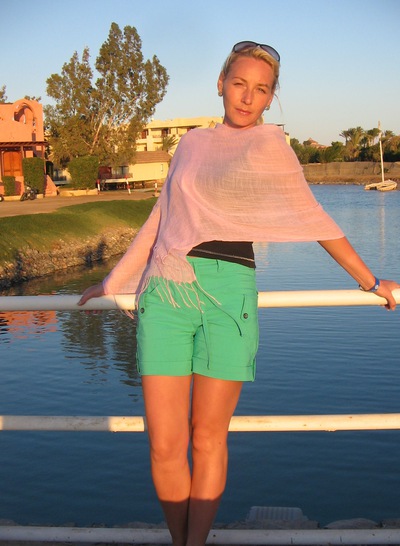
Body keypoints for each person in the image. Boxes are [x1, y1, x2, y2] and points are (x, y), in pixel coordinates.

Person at [78, 41, 399, 546]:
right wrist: (114, 280)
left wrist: (371, 281)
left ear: (271, 97)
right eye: (239, 84)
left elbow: (314, 217)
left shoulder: (272, 147)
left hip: (231, 297)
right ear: (221, 84)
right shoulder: (191, 144)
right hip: (167, 292)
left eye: (261, 89)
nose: (248, 98)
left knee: (208, 439)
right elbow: (161, 216)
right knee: (164, 444)